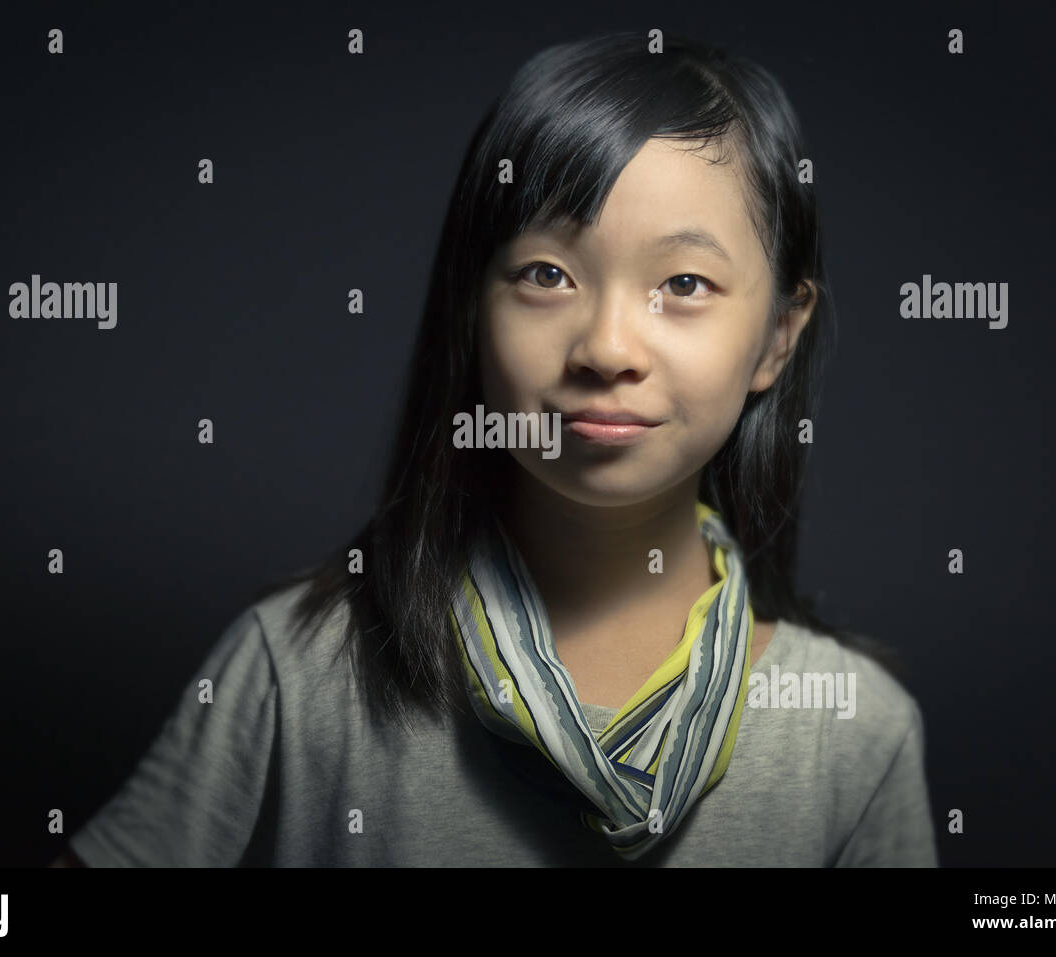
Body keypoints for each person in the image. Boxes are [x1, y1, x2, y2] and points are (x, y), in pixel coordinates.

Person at [52, 29, 937, 867]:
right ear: (473, 307)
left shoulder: (854, 731)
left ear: (779, 335)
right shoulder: (296, 668)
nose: (608, 348)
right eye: (547, 274)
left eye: (684, 283)